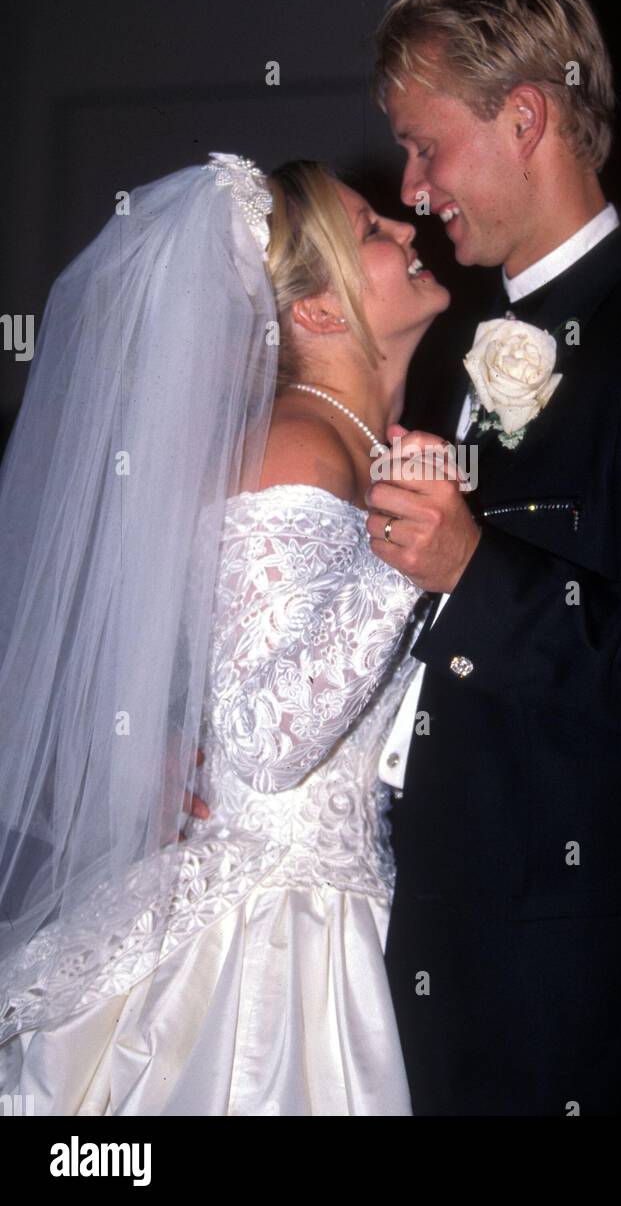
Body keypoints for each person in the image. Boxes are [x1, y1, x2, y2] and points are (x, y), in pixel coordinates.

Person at [364, 0, 621, 1115]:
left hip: (568, 993)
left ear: (526, 117)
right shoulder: (449, 352)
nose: (412, 185)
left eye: (425, 146)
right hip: (429, 945)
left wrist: (480, 575)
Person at [0, 151, 449, 1115]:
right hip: (283, 938)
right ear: (319, 314)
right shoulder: (299, 447)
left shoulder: (355, 448)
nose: (409, 229)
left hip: (357, 897)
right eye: (373, 232)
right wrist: (405, 552)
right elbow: (269, 736)